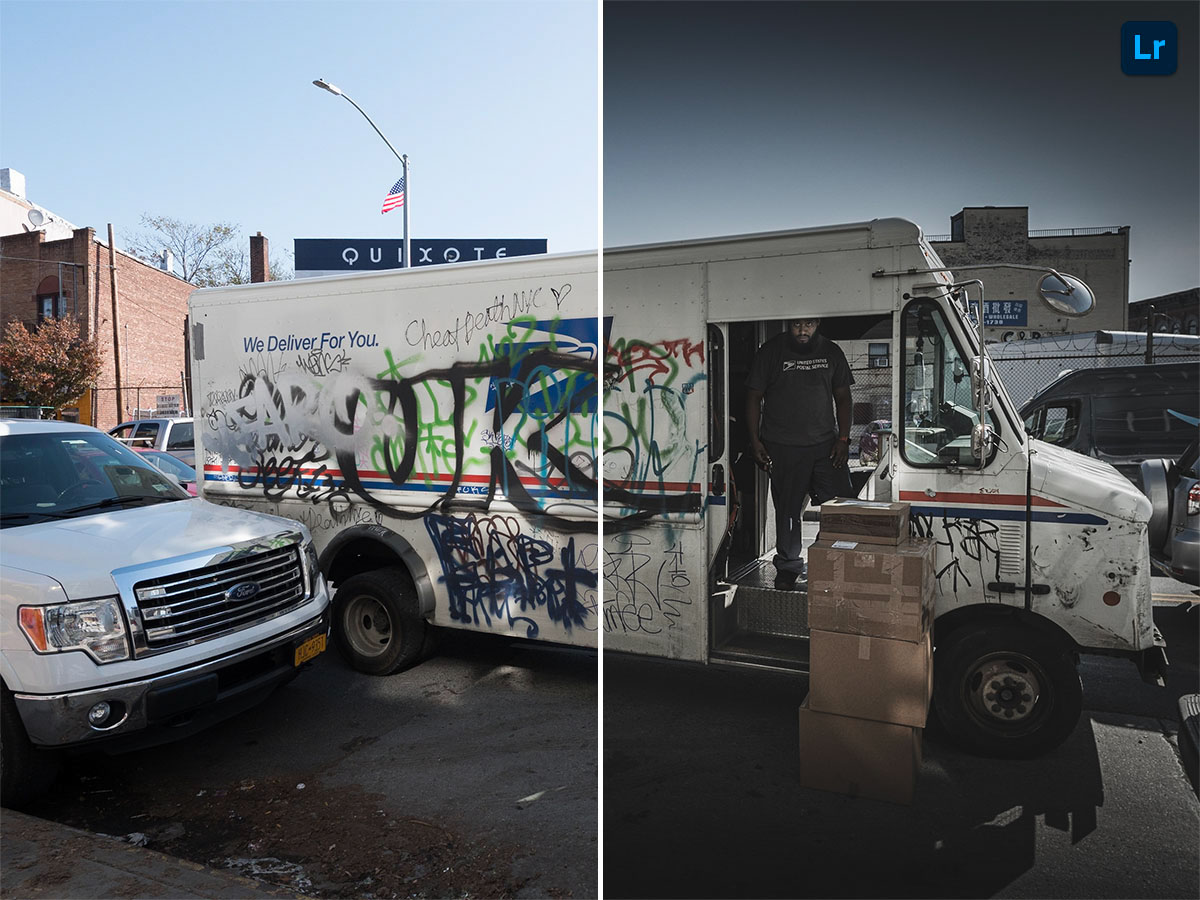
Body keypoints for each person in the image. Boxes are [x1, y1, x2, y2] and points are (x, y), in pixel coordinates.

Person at [745, 317, 853, 590]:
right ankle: (789, 566)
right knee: (788, 512)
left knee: (840, 507)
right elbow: (753, 397)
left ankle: (832, 560)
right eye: (796, 325)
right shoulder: (770, 352)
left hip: (826, 446)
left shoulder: (832, 352)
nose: (802, 331)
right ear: (787, 325)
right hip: (783, 447)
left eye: (808, 324)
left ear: (817, 323)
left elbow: (843, 398)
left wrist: (843, 438)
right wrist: (755, 440)